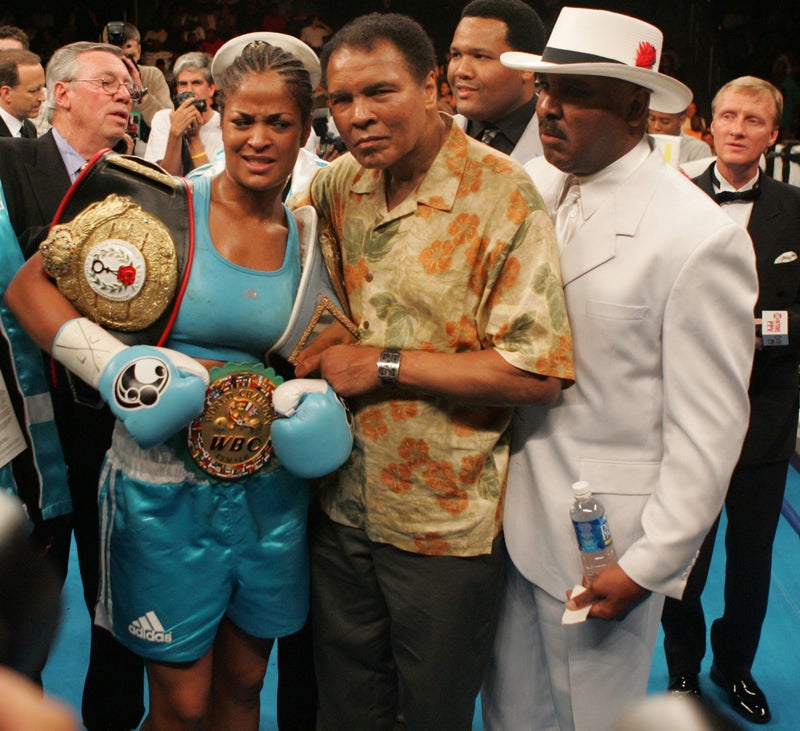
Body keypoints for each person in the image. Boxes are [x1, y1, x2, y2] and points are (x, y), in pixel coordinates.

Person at [5, 35, 349, 731]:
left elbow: (328, 344)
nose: (257, 138)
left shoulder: (313, 231)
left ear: (304, 128)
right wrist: (111, 367)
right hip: (161, 492)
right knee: (182, 701)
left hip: (269, 495)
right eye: (242, 119)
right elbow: (29, 287)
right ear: (216, 114)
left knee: (247, 683)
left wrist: (322, 401)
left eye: (277, 122)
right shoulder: (159, 205)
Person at [290, 12, 574, 730]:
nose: (357, 116)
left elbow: (537, 372)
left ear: (432, 87)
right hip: (341, 504)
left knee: (434, 714)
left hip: (443, 527)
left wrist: (383, 365)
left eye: (379, 92)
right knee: (347, 709)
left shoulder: (503, 194)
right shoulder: (340, 185)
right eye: (341, 101)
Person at [481, 8, 759, 731]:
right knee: (511, 715)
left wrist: (650, 563)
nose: (549, 106)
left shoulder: (696, 237)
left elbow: (711, 425)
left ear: (638, 107)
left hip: (604, 546)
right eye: (545, 87)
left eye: (576, 92)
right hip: (499, 526)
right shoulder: (528, 184)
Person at [0, 40, 145, 730]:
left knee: (116, 607)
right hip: (29, 432)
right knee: (20, 616)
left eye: (132, 88)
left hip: (120, 423)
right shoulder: (8, 165)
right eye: (111, 82)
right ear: (62, 93)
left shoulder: (145, 182)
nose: (126, 95)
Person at [660, 76, 800, 725]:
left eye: (754, 119)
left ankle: (733, 666)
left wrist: (759, 328)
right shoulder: (672, 198)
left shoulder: (797, 208)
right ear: (707, 126)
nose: (739, 127)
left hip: (766, 418)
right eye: (728, 116)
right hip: (685, 415)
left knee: (751, 562)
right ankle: (682, 669)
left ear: (774, 134)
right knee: (683, 553)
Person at [448, 0, 546, 164]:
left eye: (480, 56)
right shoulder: (431, 140)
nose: (461, 71)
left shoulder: (569, 147)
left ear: (526, 68)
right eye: (456, 55)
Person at [144, 51, 222, 175]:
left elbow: (213, 185)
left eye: (196, 83)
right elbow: (164, 180)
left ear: (211, 89)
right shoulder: (163, 119)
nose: (189, 91)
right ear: (177, 89)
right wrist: (175, 133)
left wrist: (194, 138)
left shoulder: (223, 124)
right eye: (183, 84)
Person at [101, 21, 172, 135]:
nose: (125, 63)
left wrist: (141, 94)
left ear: (139, 51)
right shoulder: (95, 78)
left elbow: (169, 125)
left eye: (130, 56)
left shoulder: (152, 75)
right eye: (117, 56)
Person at [0, 49, 45, 138]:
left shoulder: (29, 128)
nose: (42, 98)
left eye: (42, 88)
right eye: (33, 91)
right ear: (7, 93)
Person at [647, 104, 713, 163]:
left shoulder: (697, 148)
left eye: (665, 122)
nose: (656, 126)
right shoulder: (642, 143)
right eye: (652, 119)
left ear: (682, 120)